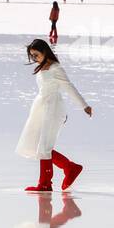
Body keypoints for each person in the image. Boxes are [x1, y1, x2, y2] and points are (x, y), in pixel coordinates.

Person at [16, 39, 91, 192]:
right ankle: (70, 167)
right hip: (42, 108)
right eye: (32, 56)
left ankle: (45, 183)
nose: (34, 58)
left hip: (53, 109)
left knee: (44, 147)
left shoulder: (56, 68)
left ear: (45, 51)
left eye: (36, 54)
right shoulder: (42, 67)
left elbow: (69, 87)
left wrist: (84, 105)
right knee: (40, 145)